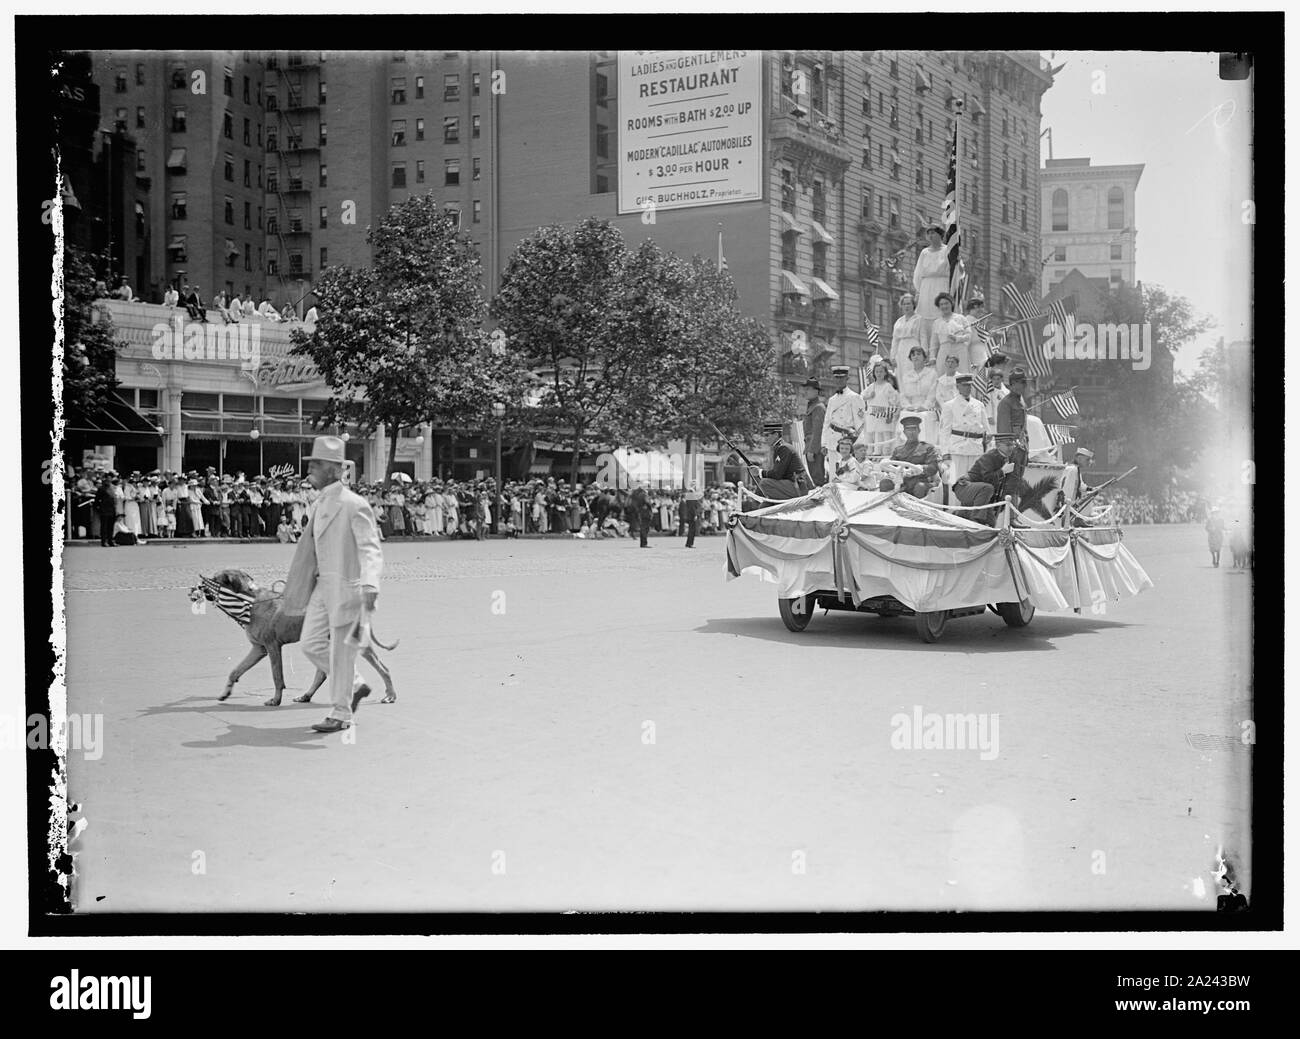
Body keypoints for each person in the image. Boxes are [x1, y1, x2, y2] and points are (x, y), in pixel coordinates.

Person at [283, 435, 384, 733]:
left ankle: (341, 714)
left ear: (335, 469)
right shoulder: (321, 501)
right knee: (311, 644)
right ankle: (355, 685)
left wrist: (370, 584)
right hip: (320, 588)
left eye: (317, 463)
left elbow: (370, 548)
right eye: (311, 462)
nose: (311, 468)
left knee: (341, 654)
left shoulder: (354, 504)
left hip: (347, 589)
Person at [954, 435, 1025, 525]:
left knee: (991, 523)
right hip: (964, 487)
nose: (1011, 448)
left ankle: (961, 515)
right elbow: (987, 479)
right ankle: (976, 520)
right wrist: (1003, 471)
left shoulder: (1008, 459)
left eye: (1012, 445)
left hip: (979, 495)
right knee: (987, 488)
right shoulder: (989, 457)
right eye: (1007, 445)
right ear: (998, 445)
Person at [940, 373, 990, 499]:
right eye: (964, 385)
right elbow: (945, 431)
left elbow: (987, 430)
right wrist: (945, 452)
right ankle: (954, 511)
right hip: (957, 447)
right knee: (956, 482)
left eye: (969, 385)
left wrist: (988, 449)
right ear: (958, 386)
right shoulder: (949, 405)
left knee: (974, 482)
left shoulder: (979, 405)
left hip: (975, 447)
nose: (967, 388)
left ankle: (970, 513)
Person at [912, 224, 954, 347]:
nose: (930, 236)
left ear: (940, 235)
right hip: (926, 286)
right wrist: (919, 290)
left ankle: (941, 343)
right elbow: (918, 272)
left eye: (933, 233)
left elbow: (955, 271)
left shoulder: (948, 250)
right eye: (928, 233)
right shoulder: (925, 252)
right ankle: (926, 347)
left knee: (940, 313)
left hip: (941, 285)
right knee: (924, 317)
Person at [880, 416, 941, 498]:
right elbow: (890, 466)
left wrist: (917, 469)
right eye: (908, 429)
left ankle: (918, 510)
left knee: (920, 487)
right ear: (904, 432)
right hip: (901, 482)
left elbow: (933, 467)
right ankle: (886, 508)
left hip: (920, 481)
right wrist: (889, 470)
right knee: (885, 483)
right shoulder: (898, 450)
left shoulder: (928, 448)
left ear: (919, 431)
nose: (911, 432)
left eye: (914, 429)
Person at [747, 422, 803, 506]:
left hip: (798, 487)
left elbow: (777, 474)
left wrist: (759, 472)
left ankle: (788, 504)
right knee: (764, 506)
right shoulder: (777, 449)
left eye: (767, 435)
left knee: (764, 483)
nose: (765, 439)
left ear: (776, 434)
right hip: (789, 486)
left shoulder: (784, 448)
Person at [821, 364, 866, 461]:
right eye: (836, 378)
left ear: (847, 378)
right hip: (831, 441)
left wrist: (858, 446)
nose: (839, 380)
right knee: (832, 473)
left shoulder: (854, 397)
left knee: (846, 472)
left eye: (842, 378)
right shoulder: (832, 399)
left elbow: (861, 424)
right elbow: (826, 422)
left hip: (846, 441)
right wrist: (823, 443)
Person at [898, 345, 939, 445]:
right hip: (910, 407)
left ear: (924, 357)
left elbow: (933, 393)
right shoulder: (906, 375)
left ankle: (925, 446)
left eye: (919, 354)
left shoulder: (932, 373)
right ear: (910, 358)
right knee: (904, 415)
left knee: (923, 416)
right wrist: (908, 406)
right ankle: (905, 445)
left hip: (927, 408)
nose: (916, 356)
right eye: (913, 355)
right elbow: (902, 394)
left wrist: (925, 406)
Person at [860, 357, 901, 457]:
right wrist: (869, 396)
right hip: (873, 414)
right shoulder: (872, 386)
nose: (879, 374)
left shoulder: (887, 386)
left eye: (881, 372)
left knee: (886, 435)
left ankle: (886, 453)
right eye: (877, 372)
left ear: (885, 373)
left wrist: (892, 407)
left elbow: (896, 399)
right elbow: (861, 396)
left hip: (884, 414)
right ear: (874, 373)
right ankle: (875, 452)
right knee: (875, 434)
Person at [996, 366, 1031, 477]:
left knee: (1019, 480)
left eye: (1023, 383)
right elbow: (1003, 430)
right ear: (1011, 384)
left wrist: (1026, 449)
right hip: (1011, 449)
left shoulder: (1021, 401)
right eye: (1017, 383)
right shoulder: (1006, 403)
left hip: (1022, 447)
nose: (1021, 386)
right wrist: (1006, 453)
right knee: (1010, 482)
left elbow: (1024, 428)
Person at [929, 292, 973, 373]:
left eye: (946, 303)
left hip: (959, 350)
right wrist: (932, 357)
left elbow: (968, 335)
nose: (944, 306)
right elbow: (934, 343)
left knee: (961, 375)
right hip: (944, 350)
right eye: (941, 304)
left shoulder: (961, 318)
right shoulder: (937, 322)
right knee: (943, 375)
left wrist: (957, 338)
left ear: (951, 304)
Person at [800, 377, 827, 486]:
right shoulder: (812, 406)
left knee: (817, 478)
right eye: (805, 389)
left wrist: (812, 450)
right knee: (812, 477)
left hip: (814, 448)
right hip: (810, 445)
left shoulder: (818, 407)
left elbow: (818, 430)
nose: (805, 392)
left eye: (808, 389)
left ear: (816, 391)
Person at [890, 292, 924, 369]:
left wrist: (924, 354)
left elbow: (923, 338)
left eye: (909, 304)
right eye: (904, 304)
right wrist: (893, 357)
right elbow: (895, 340)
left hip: (914, 347)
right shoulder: (899, 321)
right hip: (901, 349)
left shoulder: (919, 320)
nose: (906, 306)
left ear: (913, 305)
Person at [95, 476, 118, 547]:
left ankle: (110, 540)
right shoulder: (101, 489)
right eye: (107, 480)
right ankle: (104, 541)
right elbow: (97, 500)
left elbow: (114, 499)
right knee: (104, 527)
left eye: (109, 480)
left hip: (112, 510)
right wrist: (99, 509)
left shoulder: (112, 488)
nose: (108, 481)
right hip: (104, 510)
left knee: (110, 527)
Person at [628, 482, 654, 547]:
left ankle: (643, 543)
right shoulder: (644, 494)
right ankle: (644, 543)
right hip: (646, 512)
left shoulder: (639, 494)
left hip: (642, 512)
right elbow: (647, 502)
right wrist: (651, 504)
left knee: (643, 527)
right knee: (645, 528)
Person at [681, 480, 703, 548]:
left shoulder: (690, 493)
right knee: (692, 529)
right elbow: (692, 506)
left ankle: (689, 543)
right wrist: (695, 514)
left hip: (690, 514)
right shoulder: (691, 494)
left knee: (692, 529)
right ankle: (690, 543)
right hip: (691, 514)